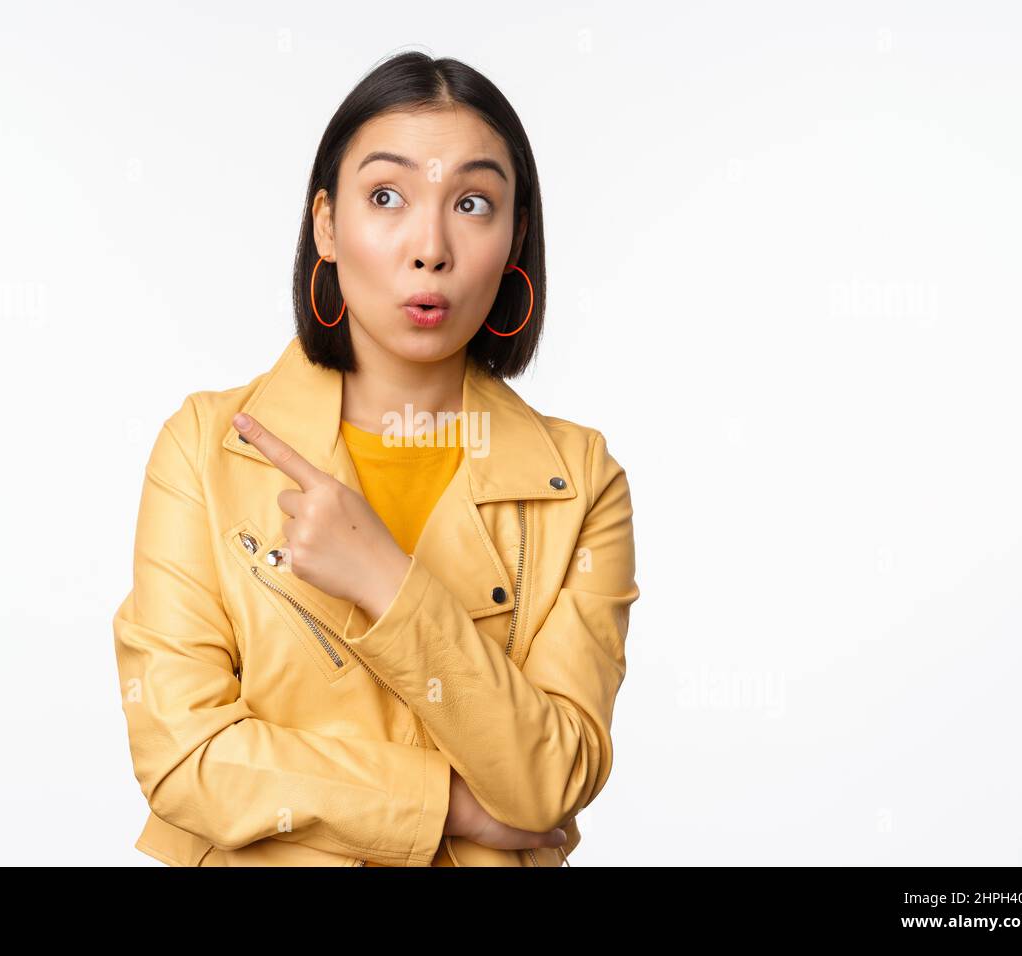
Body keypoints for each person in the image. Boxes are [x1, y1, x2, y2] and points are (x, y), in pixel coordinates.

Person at [113, 51, 640, 867]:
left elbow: (551, 780)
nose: (429, 247)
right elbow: (185, 757)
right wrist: (448, 806)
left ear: (516, 237)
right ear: (326, 223)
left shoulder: (578, 483)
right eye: (386, 197)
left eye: (472, 203)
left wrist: (385, 581)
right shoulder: (205, 450)